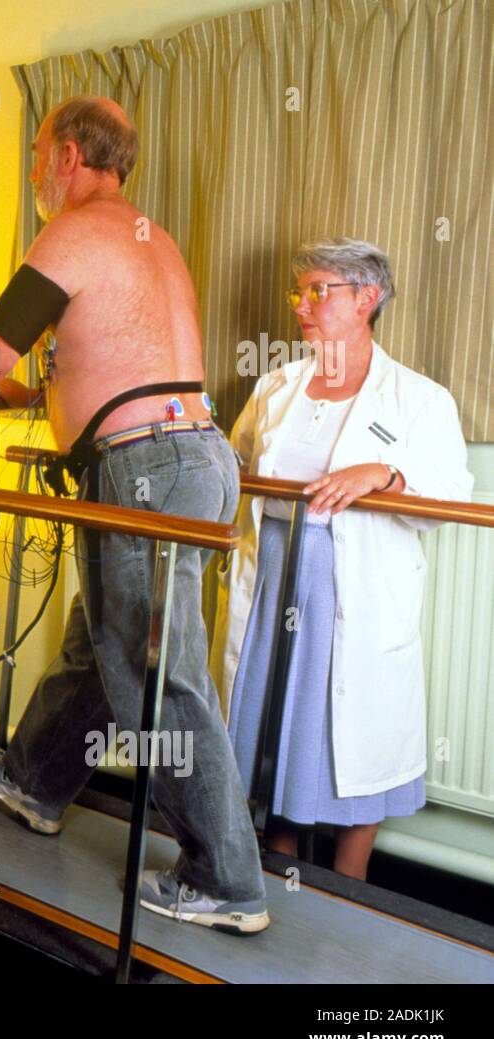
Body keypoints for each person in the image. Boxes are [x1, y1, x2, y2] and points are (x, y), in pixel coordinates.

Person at [0, 96, 269, 933]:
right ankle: (34, 777)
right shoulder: (146, 237)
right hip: (190, 458)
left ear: (66, 154)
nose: (30, 173)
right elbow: (91, 361)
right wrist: (33, 393)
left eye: (33, 154)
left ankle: (225, 876)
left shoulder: (73, 230)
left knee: (157, 675)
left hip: (142, 470)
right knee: (105, 642)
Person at [213, 238, 474, 880]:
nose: (302, 305)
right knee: (276, 727)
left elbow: (448, 499)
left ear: (367, 299)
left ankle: (350, 895)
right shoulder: (277, 386)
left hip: (350, 586)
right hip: (274, 575)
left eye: (317, 291)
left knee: (349, 738)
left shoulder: (419, 398)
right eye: (296, 292)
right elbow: (239, 462)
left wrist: (383, 474)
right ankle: (276, 874)